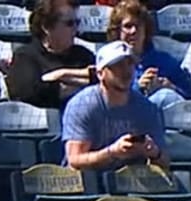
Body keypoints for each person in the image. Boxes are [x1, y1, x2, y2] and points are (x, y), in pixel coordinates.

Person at [62, 40, 169, 172]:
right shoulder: (83, 105)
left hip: (130, 180)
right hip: (89, 180)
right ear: (100, 74)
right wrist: (112, 152)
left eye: (130, 63)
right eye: (117, 65)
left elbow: (165, 162)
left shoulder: (146, 108)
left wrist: (154, 152)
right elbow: (75, 160)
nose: (126, 71)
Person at [6, 0, 95, 110]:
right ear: (46, 26)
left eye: (77, 23)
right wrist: (80, 85)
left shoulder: (83, 55)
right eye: (69, 24)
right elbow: (28, 94)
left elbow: (100, 78)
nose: (77, 30)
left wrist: (60, 74)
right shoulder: (25, 56)